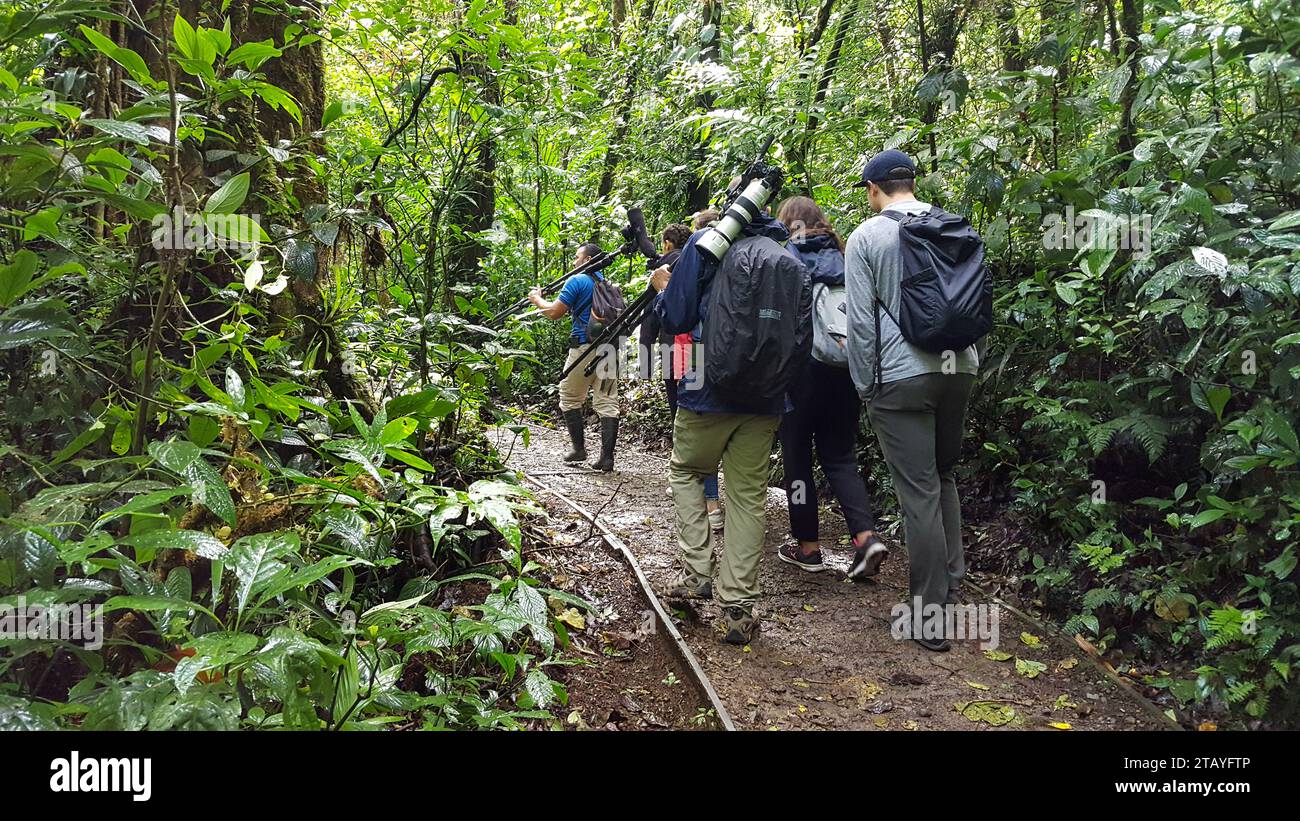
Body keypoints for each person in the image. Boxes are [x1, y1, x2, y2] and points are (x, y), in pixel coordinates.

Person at [649, 195, 810, 646]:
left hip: (705, 389)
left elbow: (677, 316)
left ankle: (697, 573)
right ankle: (738, 605)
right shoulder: (789, 259)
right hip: (765, 400)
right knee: (747, 498)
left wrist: (664, 288)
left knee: (687, 471)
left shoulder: (707, 244)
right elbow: (800, 336)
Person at [843, 149, 982, 652]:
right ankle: (950, 587)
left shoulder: (867, 236)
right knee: (942, 477)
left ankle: (927, 617)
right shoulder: (952, 226)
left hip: (901, 378)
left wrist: (864, 384)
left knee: (919, 490)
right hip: (958, 369)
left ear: (873, 189)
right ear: (912, 183)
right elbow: (975, 306)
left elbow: (860, 321)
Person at [773, 196, 887, 578]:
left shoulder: (786, 257)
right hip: (844, 368)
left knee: (798, 460)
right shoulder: (845, 254)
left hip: (801, 372)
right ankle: (866, 537)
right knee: (840, 456)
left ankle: (808, 548)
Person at [639, 223, 724, 531]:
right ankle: (709, 500)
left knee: (690, 422)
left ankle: (704, 499)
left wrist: (645, 359)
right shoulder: (735, 262)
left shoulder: (680, 265)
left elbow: (656, 315)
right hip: (725, 358)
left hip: (686, 354)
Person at [528, 242, 621, 471]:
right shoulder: (606, 283)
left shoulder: (577, 280)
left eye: (577, 256)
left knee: (569, 396)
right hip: (609, 348)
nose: (574, 261)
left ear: (588, 259)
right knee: (607, 401)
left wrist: (536, 299)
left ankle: (578, 449)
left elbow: (553, 312)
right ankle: (606, 458)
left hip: (583, 347)